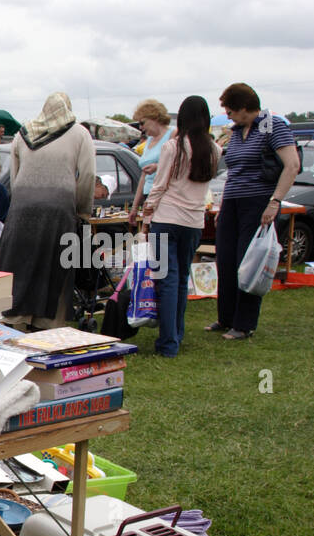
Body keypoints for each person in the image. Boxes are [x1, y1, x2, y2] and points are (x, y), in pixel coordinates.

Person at [0, 92, 94, 329]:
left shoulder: (23, 133)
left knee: (19, 266)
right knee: (55, 268)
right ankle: (48, 325)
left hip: (21, 210)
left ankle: (16, 320)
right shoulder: (79, 133)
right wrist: (82, 210)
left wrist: (20, 204)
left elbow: (15, 176)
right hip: (59, 210)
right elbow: (88, 175)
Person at [210, 82, 301, 340]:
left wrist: (275, 201)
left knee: (248, 262)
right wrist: (223, 205)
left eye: (229, 109)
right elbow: (233, 171)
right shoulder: (237, 131)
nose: (226, 114)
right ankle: (225, 317)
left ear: (243, 107)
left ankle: (244, 323)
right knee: (226, 259)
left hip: (258, 199)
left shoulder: (272, 126)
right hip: (233, 200)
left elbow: (291, 165)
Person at [143, 95, 220, 357]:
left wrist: (146, 215)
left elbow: (160, 185)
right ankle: (175, 335)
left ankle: (168, 342)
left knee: (167, 281)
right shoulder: (214, 150)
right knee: (181, 279)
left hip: (166, 219)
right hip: (194, 221)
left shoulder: (173, 147)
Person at [128, 100, 173, 231]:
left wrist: (158, 166)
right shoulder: (149, 141)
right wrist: (135, 207)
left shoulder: (172, 134)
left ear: (155, 118)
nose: (141, 128)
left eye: (142, 123)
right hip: (149, 197)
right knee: (150, 241)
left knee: (161, 241)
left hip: (165, 197)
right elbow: (143, 176)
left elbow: (181, 163)